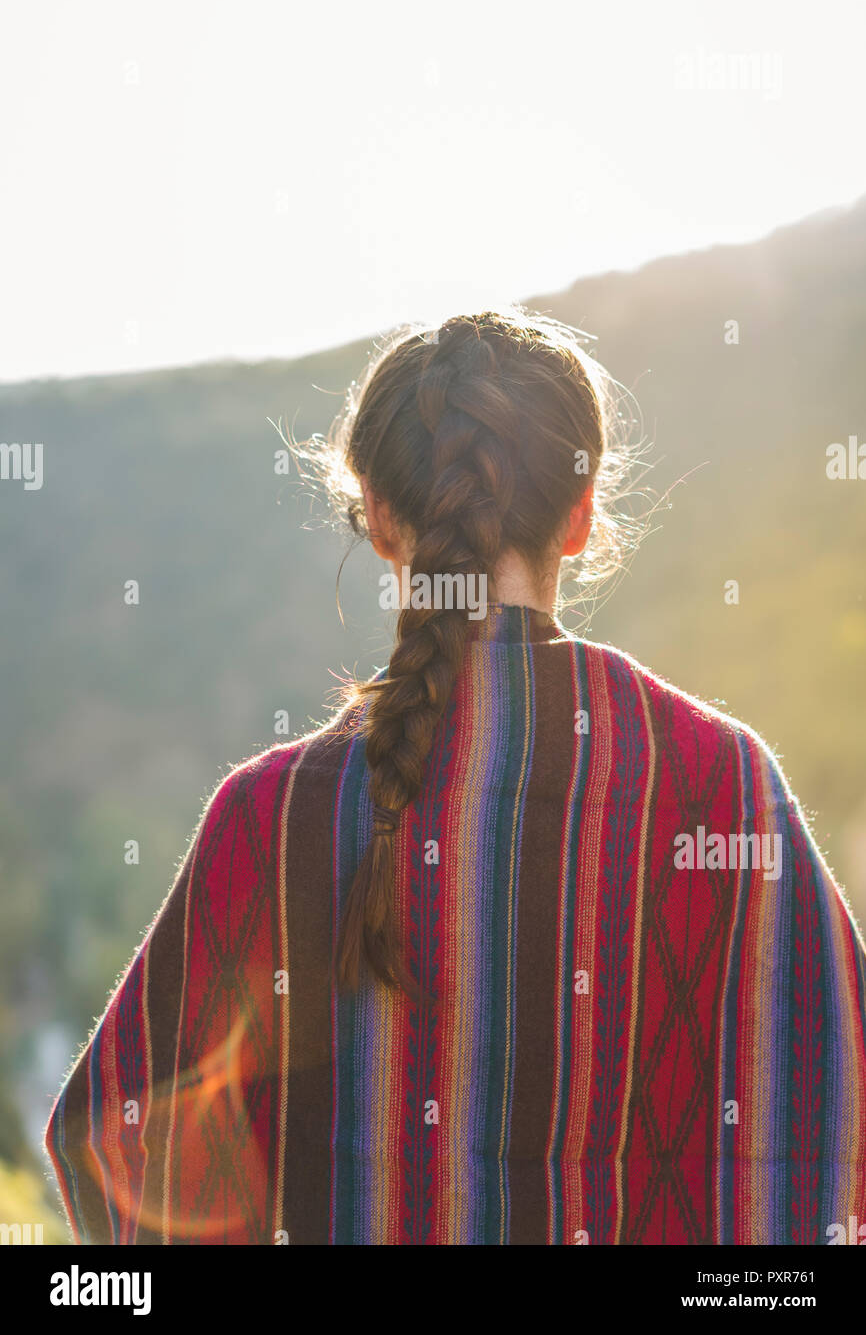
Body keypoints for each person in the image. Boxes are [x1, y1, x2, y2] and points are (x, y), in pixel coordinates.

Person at [45, 307, 866, 1245]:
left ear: (382, 522)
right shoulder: (723, 788)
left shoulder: (271, 818)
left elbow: (116, 1134)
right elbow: (834, 1134)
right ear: (584, 514)